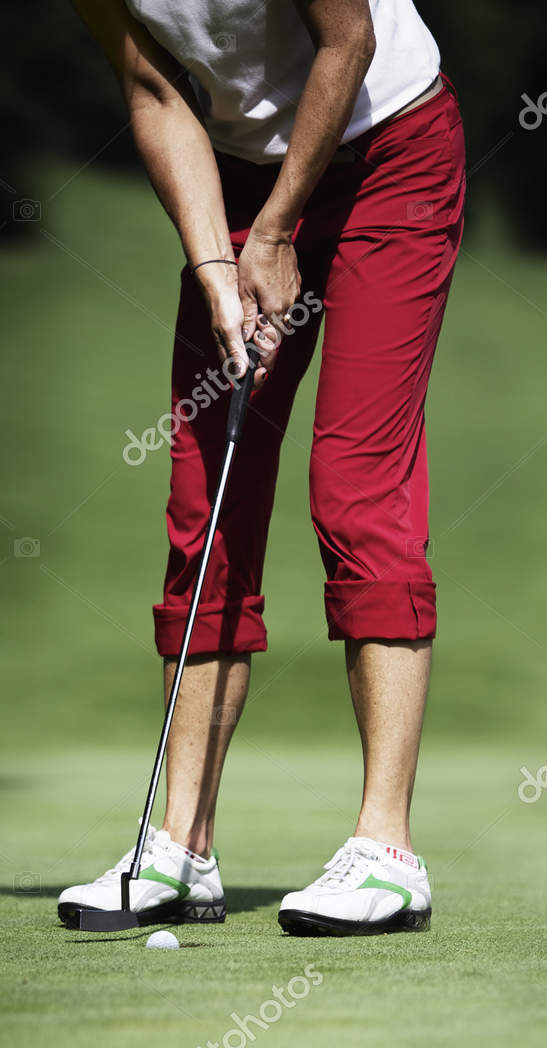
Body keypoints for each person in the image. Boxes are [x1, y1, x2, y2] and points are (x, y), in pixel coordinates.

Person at [59, 0, 465, 935]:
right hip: (240, 178)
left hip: (388, 153)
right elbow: (156, 90)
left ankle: (387, 852)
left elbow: (347, 40)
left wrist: (274, 237)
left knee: (357, 485)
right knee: (205, 493)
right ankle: (181, 846)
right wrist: (215, 262)